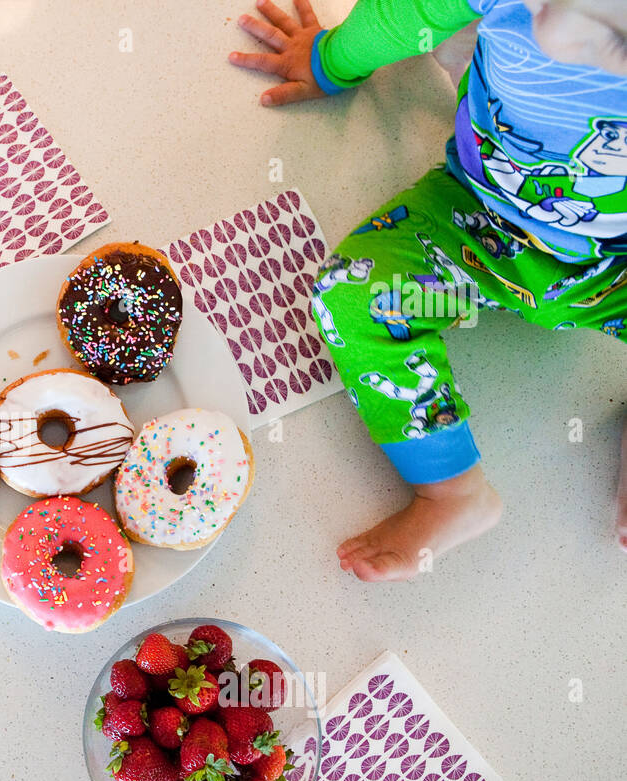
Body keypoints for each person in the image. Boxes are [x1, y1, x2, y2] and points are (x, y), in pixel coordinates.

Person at [230, 0, 627, 577]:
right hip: (475, 220)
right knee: (353, 296)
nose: (548, 16)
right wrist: (329, 62)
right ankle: (454, 494)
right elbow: (402, 14)